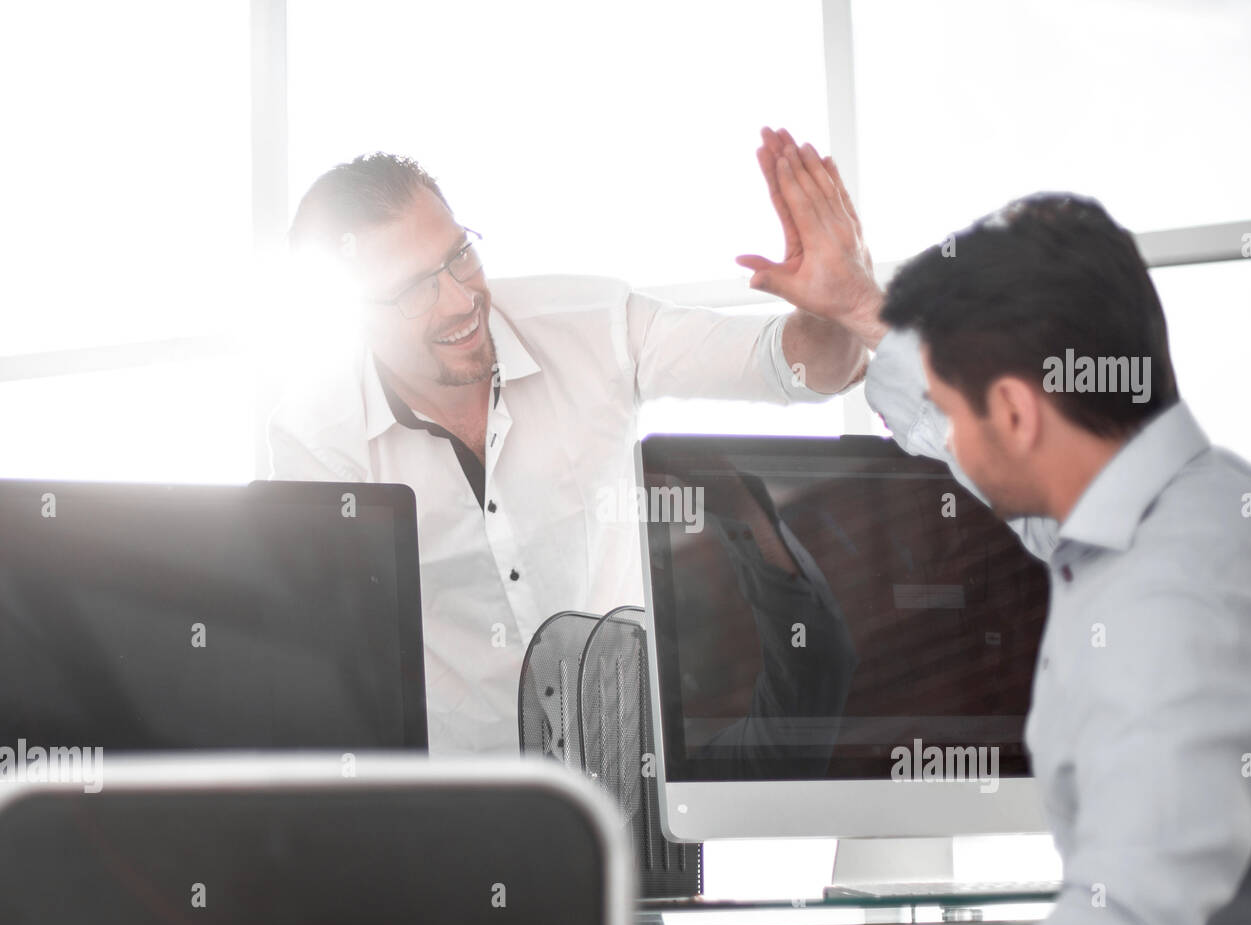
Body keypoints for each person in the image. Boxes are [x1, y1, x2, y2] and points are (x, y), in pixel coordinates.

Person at [754, 134, 1251, 925]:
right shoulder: (1149, 513)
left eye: (962, 410)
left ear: (1015, 410)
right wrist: (861, 304)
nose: (948, 443)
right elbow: (966, 447)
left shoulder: (1184, 589)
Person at [269, 132, 867, 755]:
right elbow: (338, 672)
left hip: (633, 788)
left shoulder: (594, 324)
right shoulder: (317, 439)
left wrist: (836, 307)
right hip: (464, 810)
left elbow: (796, 368)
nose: (459, 300)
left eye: (458, 256)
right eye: (416, 288)